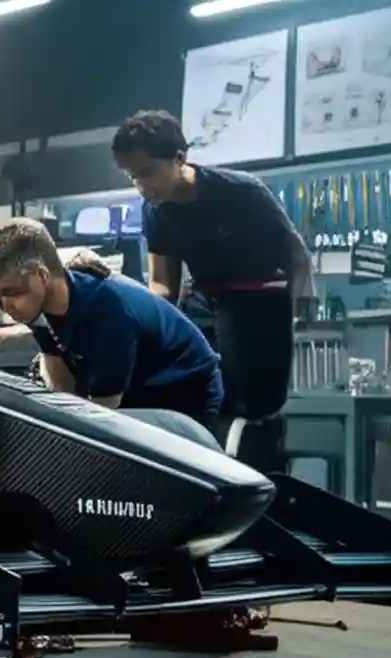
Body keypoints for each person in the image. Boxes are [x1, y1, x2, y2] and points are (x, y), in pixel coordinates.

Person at [111, 110, 315, 469]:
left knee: (250, 406)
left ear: (179, 158)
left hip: (259, 299)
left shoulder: (242, 191)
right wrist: (144, 324)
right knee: (188, 386)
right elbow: (162, 283)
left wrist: (302, 300)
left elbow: (295, 250)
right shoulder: (155, 211)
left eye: (148, 172)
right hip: (204, 299)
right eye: (133, 177)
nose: (142, 186)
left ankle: (256, 474)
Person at [0, 218, 223, 430]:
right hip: (136, 400)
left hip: (187, 406)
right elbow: (64, 392)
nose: (5, 306)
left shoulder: (107, 309)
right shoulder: (40, 310)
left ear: (42, 276)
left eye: (11, 293)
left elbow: (102, 417)